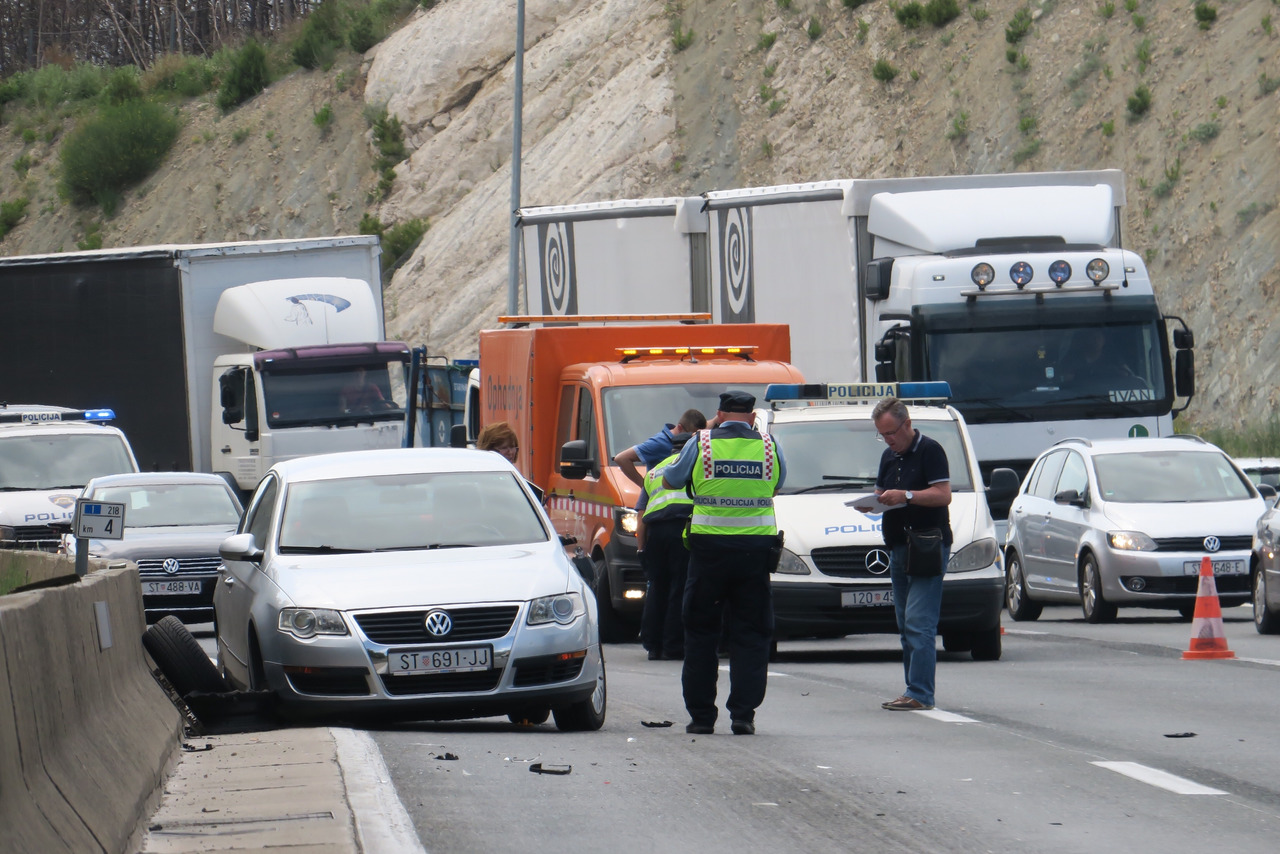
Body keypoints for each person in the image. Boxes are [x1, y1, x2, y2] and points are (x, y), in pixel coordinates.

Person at [662, 390, 784, 735]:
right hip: (754, 553)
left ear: (719, 413)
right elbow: (777, 484)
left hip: (709, 554)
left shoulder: (700, 443)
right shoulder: (769, 445)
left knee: (701, 632)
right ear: (751, 417)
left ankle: (701, 718)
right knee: (751, 633)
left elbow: (671, 480)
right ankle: (743, 715)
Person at [871, 396, 952, 712]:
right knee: (905, 622)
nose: (889, 440)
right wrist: (873, 501)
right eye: (883, 434)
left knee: (920, 621)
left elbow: (942, 494)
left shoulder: (930, 450)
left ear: (907, 424)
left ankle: (920, 692)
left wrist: (906, 495)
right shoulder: (889, 457)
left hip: (927, 545)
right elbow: (881, 494)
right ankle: (912, 689)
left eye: (892, 432)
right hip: (899, 546)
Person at [635, 431, 695, 661]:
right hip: (682, 528)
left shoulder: (654, 471)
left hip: (655, 532)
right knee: (679, 587)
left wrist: (641, 549)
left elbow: (641, 515)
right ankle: (673, 645)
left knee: (657, 586)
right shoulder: (693, 465)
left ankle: (652, 644)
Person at [614, 409, 707, 487]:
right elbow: (621, 458)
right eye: (690, 435)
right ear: (679, 428)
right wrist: (644, 486)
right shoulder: (660, 442)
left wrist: (716, 420)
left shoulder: (693, 439)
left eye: (696, 436)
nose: (693, 438)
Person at [477, 421, 545, 503]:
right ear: (488, 450)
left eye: (512, 447)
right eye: (504, 447)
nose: (510, 452)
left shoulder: (517, 480)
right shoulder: (479, 482)